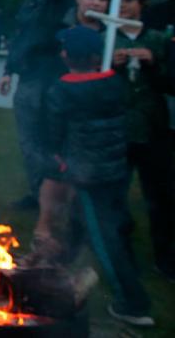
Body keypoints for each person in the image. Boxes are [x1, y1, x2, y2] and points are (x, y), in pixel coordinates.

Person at [40, 26, 154, 328]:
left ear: (66, 56)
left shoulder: (63, 89)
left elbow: (53, 135)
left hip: (89, 176)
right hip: (116, 167)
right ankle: (60, 268)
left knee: (104, 237)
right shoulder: (114, 83)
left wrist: (58, 163)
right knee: (94, 222)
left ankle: (132, 302)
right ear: (95, 56)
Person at [2, 0, 76, 209]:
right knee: (28, 142)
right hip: (26, 81)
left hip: (50, 82)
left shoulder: (60, 3)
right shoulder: (30, 5)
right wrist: (8, 70)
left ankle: (56, 198)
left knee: (50, 142)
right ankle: (37, 194)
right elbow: (20, 41)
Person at [113, 0, 175, 278]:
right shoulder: (107, 38)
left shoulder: (158, 39)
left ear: (142, 4)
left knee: (160, 197)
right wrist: (110, 67)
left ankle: (164, 256)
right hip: (118, 130)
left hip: (153, 130)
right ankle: (122, 253)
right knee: (116, 196)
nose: (124, 5)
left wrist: (152, 63)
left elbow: (171, 83)